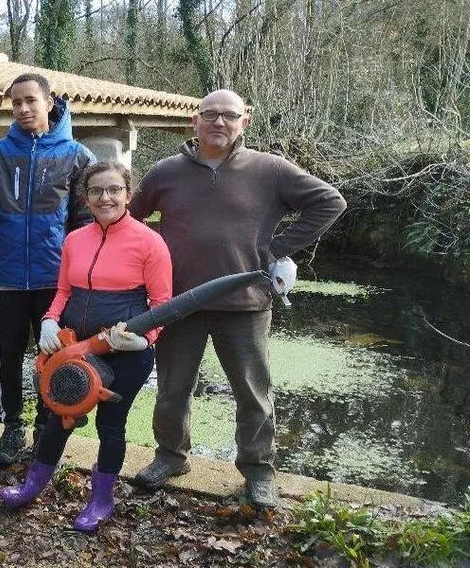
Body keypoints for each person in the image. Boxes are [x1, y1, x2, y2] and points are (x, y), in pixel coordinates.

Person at [129, 89, 347, 508]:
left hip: (246, 303)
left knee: (252, 392)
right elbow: (132, 219)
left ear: (243, 122)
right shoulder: (165, 172)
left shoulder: (270, 170)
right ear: (195, 122)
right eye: (209, 114)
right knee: (173, 389)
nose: (218, 122)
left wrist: (277, 247)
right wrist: (147, 264)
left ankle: (259, 470)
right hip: (179, 304)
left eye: (229, 115)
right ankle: (171, 456)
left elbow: (329, 201)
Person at [0, 161, 172, 532]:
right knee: (57, 417)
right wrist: (49, 320)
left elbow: (162, 304)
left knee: (111, 426)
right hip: (75, 347)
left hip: (126, 351)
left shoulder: (150, 242)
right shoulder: (75, 239)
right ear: (86, 197)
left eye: (113, 190)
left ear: (128, 194)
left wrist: (146, 338)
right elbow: (63, 291)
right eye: (96, 191)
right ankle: (32, 486)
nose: (105, 197)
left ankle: (101, 498)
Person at [0, 72, 97, 466]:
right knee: (7, 356)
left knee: (51, 357)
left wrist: (80, 277)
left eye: (30, 101)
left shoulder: (76, 156)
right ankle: (12, 427)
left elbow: (85, 224)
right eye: (16, 102)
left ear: (49, 102)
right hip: (8, 276)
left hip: (55, 279)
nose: (23, 109)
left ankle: (45, 425)